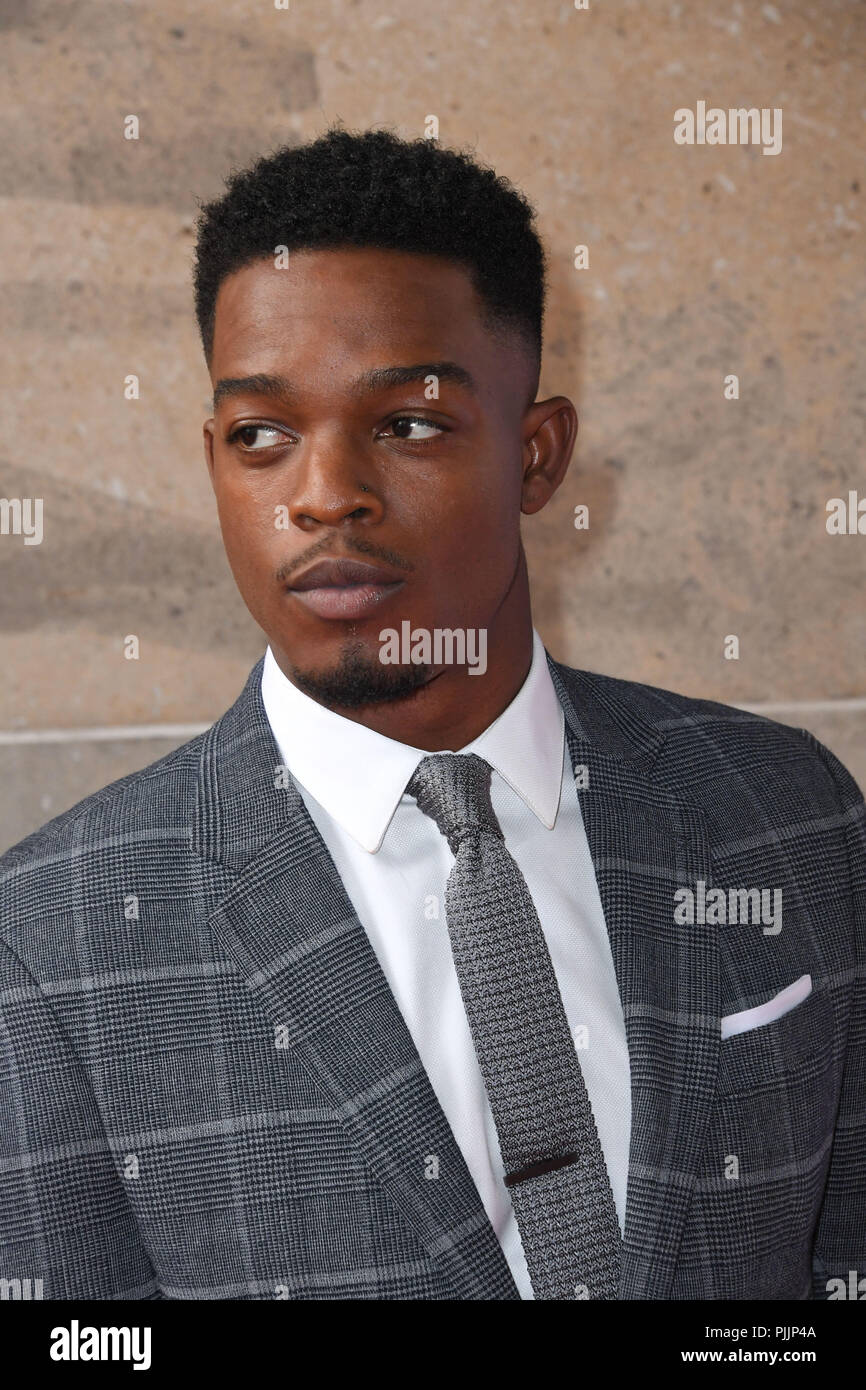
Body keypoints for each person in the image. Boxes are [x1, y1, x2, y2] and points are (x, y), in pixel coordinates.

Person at [0, 126, 863, 1301]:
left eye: (406, 423)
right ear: (213, 462)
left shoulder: (784, 808)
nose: (321, 496)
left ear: (537, 455)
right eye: (261, 435)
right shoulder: (50, 943)